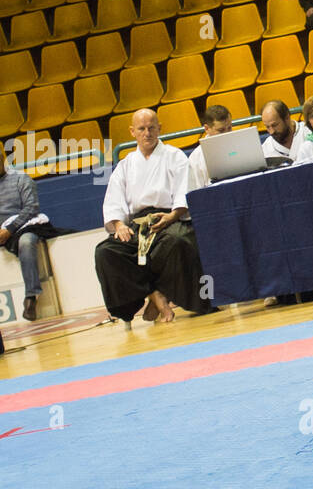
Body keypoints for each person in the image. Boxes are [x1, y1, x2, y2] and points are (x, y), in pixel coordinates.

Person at [95, 109, 212, 324]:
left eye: (151, 128)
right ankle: (154, 294)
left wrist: (172, 216)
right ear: (132, 132)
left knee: (177, 242)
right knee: (106, 252)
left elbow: (184, 192)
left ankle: (169, 295)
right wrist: (119, 224)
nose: (147, 133)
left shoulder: (175, 156)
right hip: (137, 224)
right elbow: (113, 201)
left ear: (160, 128)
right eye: (141, 129)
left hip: (168, 218)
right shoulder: (125, 165)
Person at [0, 142, 61, 321]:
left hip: (24, 226)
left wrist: (10, 230)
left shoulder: (21, 178)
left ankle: (31, 297)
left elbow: (31, 208)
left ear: (3, 158)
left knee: (27, 243)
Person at [186, 104, 232, 191]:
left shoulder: (240, 142)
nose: (227, 134)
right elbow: (197, 190)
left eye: (229, 128)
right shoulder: (196, 157)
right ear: (207, 128)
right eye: (221, 130)